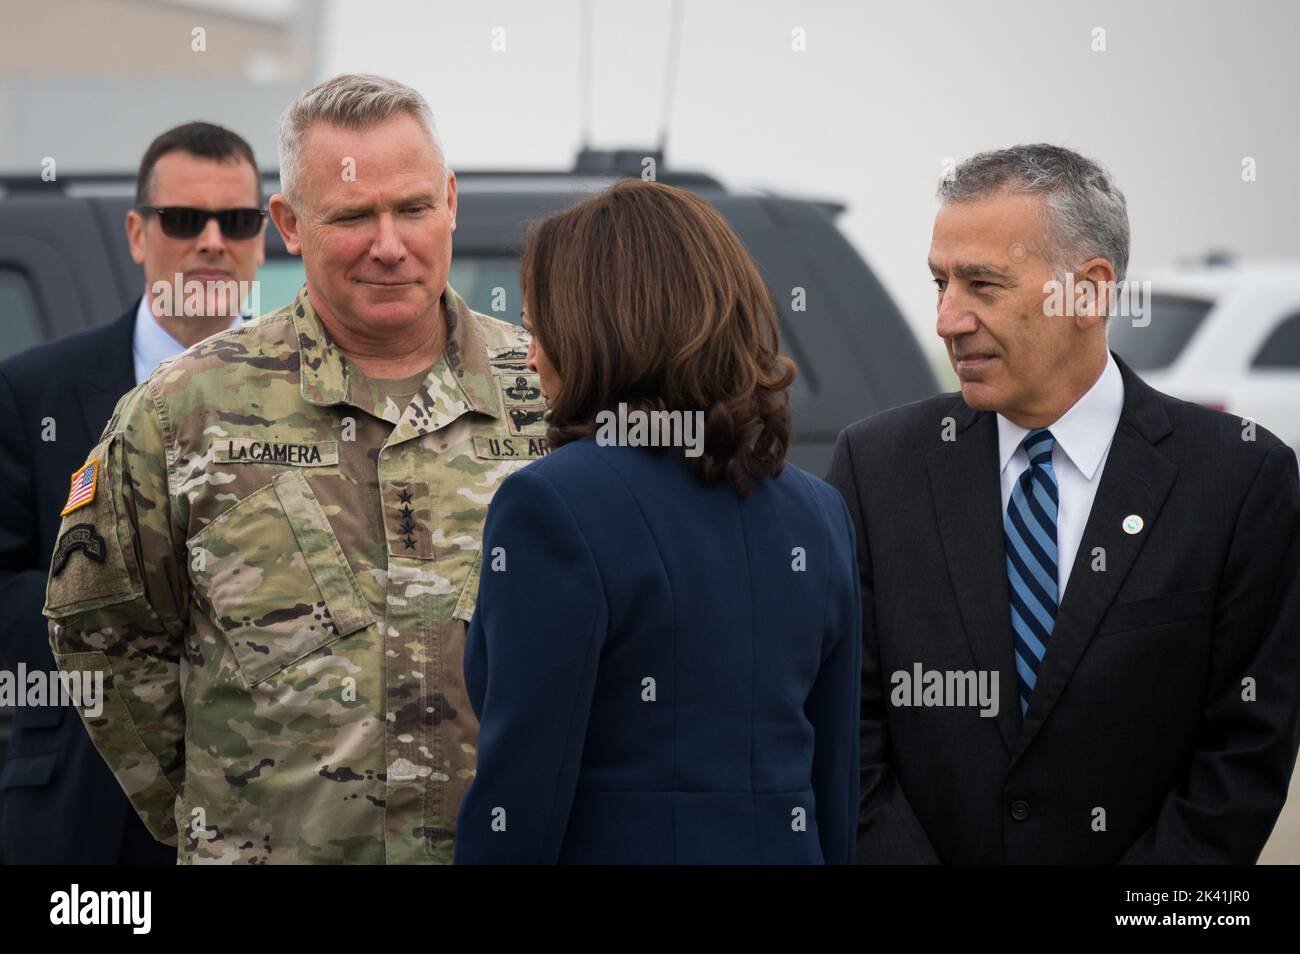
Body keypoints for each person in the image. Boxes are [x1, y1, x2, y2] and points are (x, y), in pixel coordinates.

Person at [43, 74, 539, 864]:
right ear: (289, 225)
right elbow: (102, 632)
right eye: (351, 215)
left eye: (412, 207)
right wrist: (221, 815)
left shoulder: (553, 393)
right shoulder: (183, 412)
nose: (389, 243)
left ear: (450, 199)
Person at [828, 144, 1300, 864]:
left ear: (1089, 291)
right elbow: (847, 735)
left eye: (983, 285)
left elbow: (1243, 754)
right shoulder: (875, 468)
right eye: (940, 284)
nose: (948, 320)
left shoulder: (1240, 480)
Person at [454, 179, 860, 864]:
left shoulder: (550, 506)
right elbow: (833, 786)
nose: (529, 355)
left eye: (536, 326)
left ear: (596, 330)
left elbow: (518, 800)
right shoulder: (820, 513)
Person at [0, 121, 265, 864]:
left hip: (270, 808)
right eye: (184, 220)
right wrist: (133, 616)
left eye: (237, 220)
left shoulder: (313, 393)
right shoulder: (34, 389)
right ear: (137, 233)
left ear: (264, 235)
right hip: (87, 814)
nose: (212, 240)